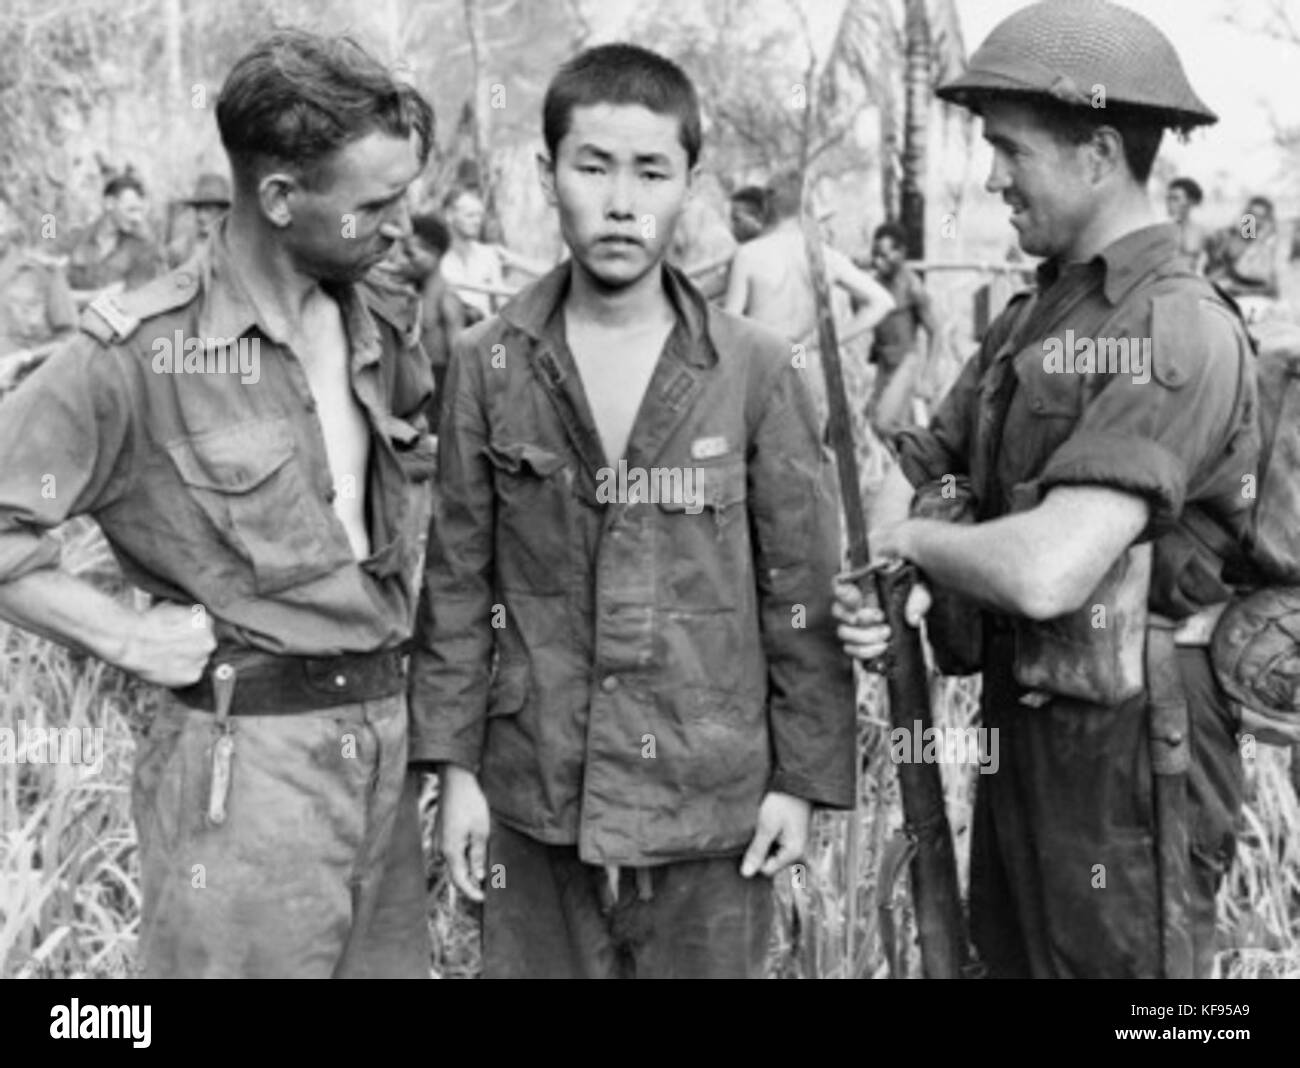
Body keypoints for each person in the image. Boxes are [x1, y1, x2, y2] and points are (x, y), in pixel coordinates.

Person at [411, 42, 855, 979]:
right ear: (547, 175)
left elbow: (801, 593)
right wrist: (455, 774)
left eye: (651, 171)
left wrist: (803, 785)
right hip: (536, 798)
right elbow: (456, 585)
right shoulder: (488, 363)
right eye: (592, 166)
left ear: (690, 182)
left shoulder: (755, 370)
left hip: (711, 809)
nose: (622, 201)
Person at [834, 0, 1258, 979]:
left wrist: (916, 548)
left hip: (1137, 760)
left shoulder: (1176, 327)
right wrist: (874, 583)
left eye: (1011, 151)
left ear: (1100, 152)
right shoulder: (1032, 316)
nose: (991, 177)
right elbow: (923, 467)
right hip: (1029, 733)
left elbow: (1047, 571)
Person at [0, 29, 437, 978]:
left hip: (382, 756)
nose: (403, 225)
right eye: (377, 205)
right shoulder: (134, 356)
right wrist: (126, 637)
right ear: (280, 198)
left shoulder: (379, 328)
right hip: (242, 778)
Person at [724, 170, 894, 426]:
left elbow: (729, 328)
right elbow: (882, 301)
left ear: (768, 205)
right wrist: (832, 341)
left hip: (761, 363)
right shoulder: (824, 255)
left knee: (760, 453)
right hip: (806, 361)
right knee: (807, 453)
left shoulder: (748, 256)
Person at [866, 221, 941, 439]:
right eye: (875, 255)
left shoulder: (912, 287)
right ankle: (912, 460)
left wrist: (928, 377)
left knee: (884, 423)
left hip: (907, 361)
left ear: (901, 253)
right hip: (884, 362)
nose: (878, 261)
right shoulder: (872, 285)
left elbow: (935, 332)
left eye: (884, 255)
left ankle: (922, 449)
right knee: (875, 422)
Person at [0, 193, 77, 390]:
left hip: (28, 395)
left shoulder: (43, 272)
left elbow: (72, 341)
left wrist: (25, 358)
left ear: (10, 222)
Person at [438, 187, 548, 319]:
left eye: (480, 215)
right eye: (470, 215)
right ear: (449, 216)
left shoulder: (487, 255)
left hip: (483, 330)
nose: (477, 221)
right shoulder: (437, 257)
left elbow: (501, 302)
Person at [58, 172, 165, 303]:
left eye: (140, 211)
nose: (137, 218)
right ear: (109, 204)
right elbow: (52, 292)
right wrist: (97, 296)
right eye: (131, 210)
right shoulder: (75, 239)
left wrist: (74, 297)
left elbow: (135, 301)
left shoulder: (143, 249)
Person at [1206, 194, 1285, 314]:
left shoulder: (1270, 247)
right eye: (1250, 214)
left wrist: (1239, 289)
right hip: (1230, 299)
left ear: (1268, 220)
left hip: (1257, 302)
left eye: (1260, 217)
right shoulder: (1230, 239)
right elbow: (1216, 275)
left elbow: (1272, 289)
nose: (1253, 220)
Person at [165, 172, 232, 267]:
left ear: (223, 212)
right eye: (197, 209)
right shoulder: (180, 250)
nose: (200, 216)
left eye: (208, 210)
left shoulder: (237, 250)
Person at [1165, 176, 1208, 273]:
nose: (1169, 203)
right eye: (1168, 198)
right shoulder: (1164, 231)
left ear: (1191, 201)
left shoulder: (1203, 232)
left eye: (1175, 198)